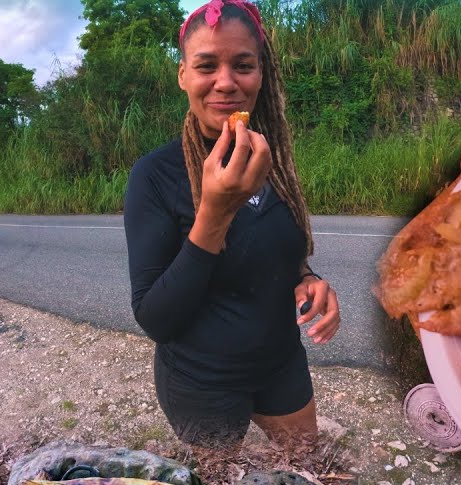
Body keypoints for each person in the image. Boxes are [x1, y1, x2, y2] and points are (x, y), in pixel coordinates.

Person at [125, 0, 340, 451]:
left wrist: (307, 278)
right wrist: (214, 214)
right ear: (183, 74)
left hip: (281, 366)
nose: (226, 82)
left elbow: (279, 249)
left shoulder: (270, 158)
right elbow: (156, 319)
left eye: (243, 65)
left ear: (261, 73)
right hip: (202, 384)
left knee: (311, 472)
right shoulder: (154, 176)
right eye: (206, 65)